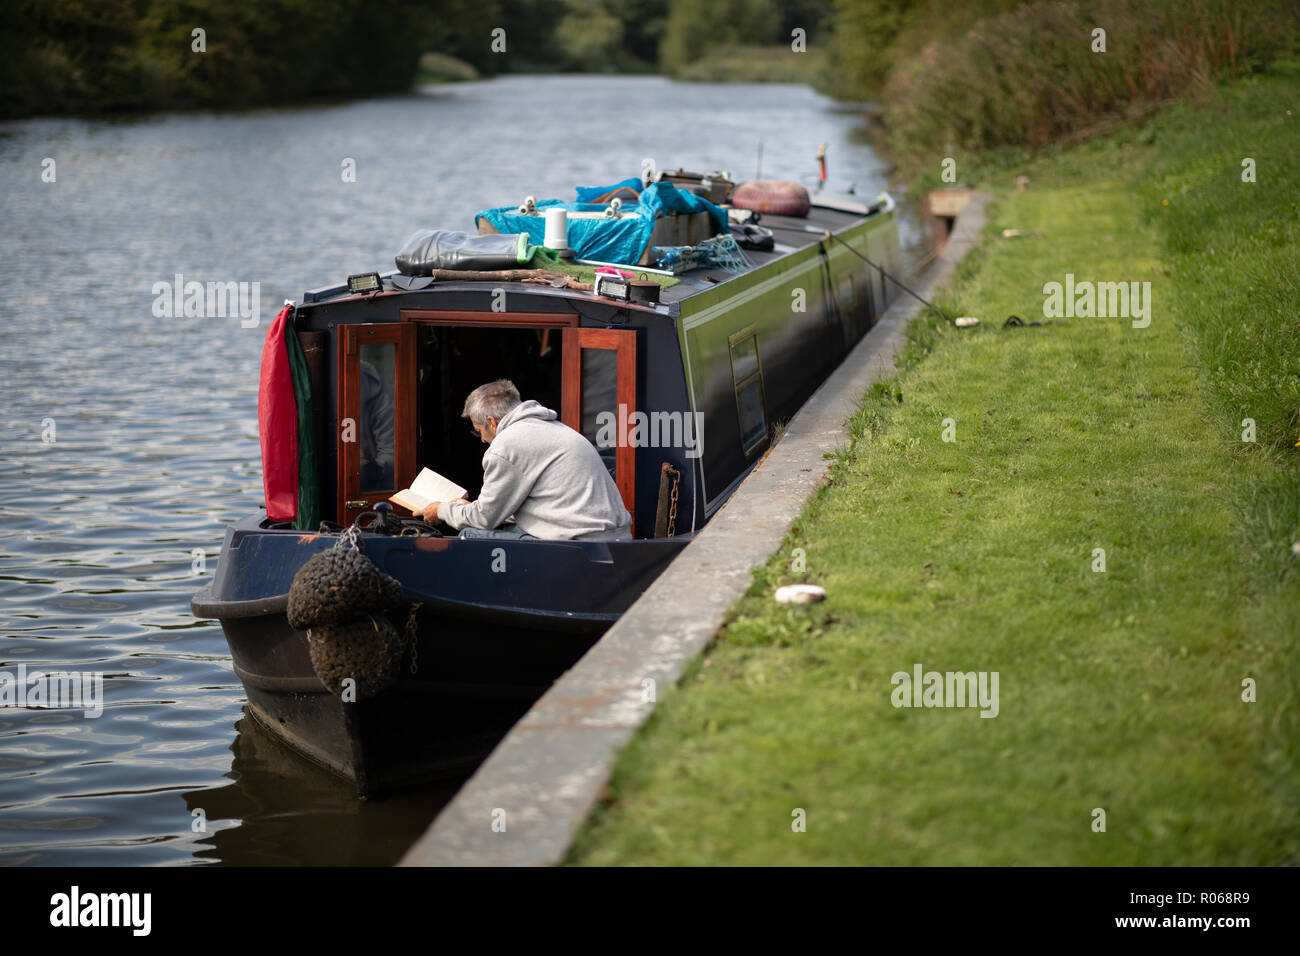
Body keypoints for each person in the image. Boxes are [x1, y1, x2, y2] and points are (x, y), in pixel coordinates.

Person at [416, 379, 632, 541]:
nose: (482, 439)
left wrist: (441, 510)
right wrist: (470, 507)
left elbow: (484, 519)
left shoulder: (506, 445)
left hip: (579, 543)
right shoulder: (554, 428)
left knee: (469, 534)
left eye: (478, 430)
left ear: (491, 421)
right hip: (614, 538)